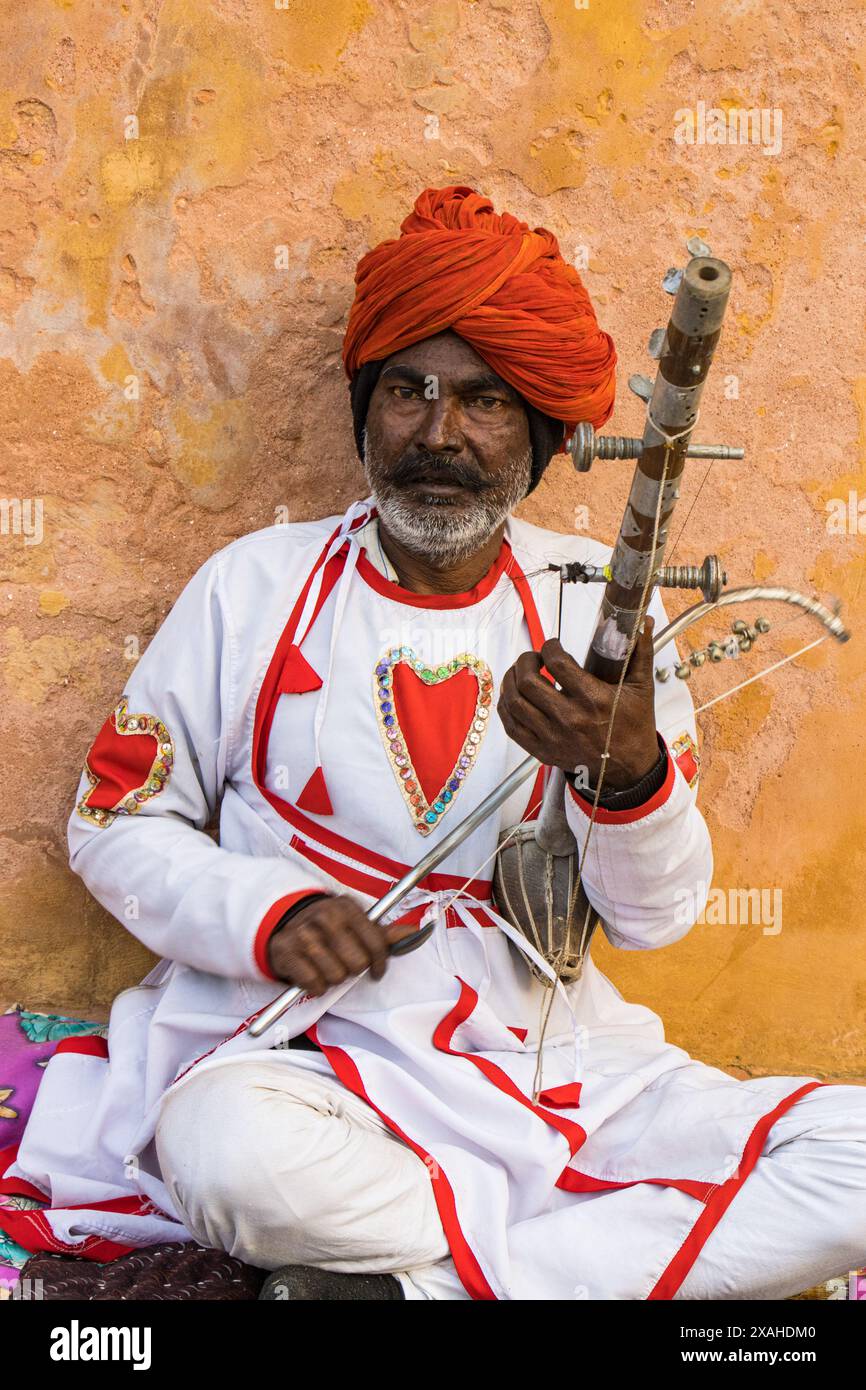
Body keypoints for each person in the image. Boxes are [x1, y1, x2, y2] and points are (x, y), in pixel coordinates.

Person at [4, 187, 864, 1301]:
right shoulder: (252, 587)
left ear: (543, 433)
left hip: (552, 1069)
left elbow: (650, 920)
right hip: (306, 1063)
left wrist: (627, 773)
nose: (439, 433)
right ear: (366, 406)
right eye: (407, 390)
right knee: (219, 1147)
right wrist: (271, 914)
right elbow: (115, 818)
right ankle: (559, 1265)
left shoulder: (598, 614)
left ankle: (411, 1289)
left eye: (485, 401)